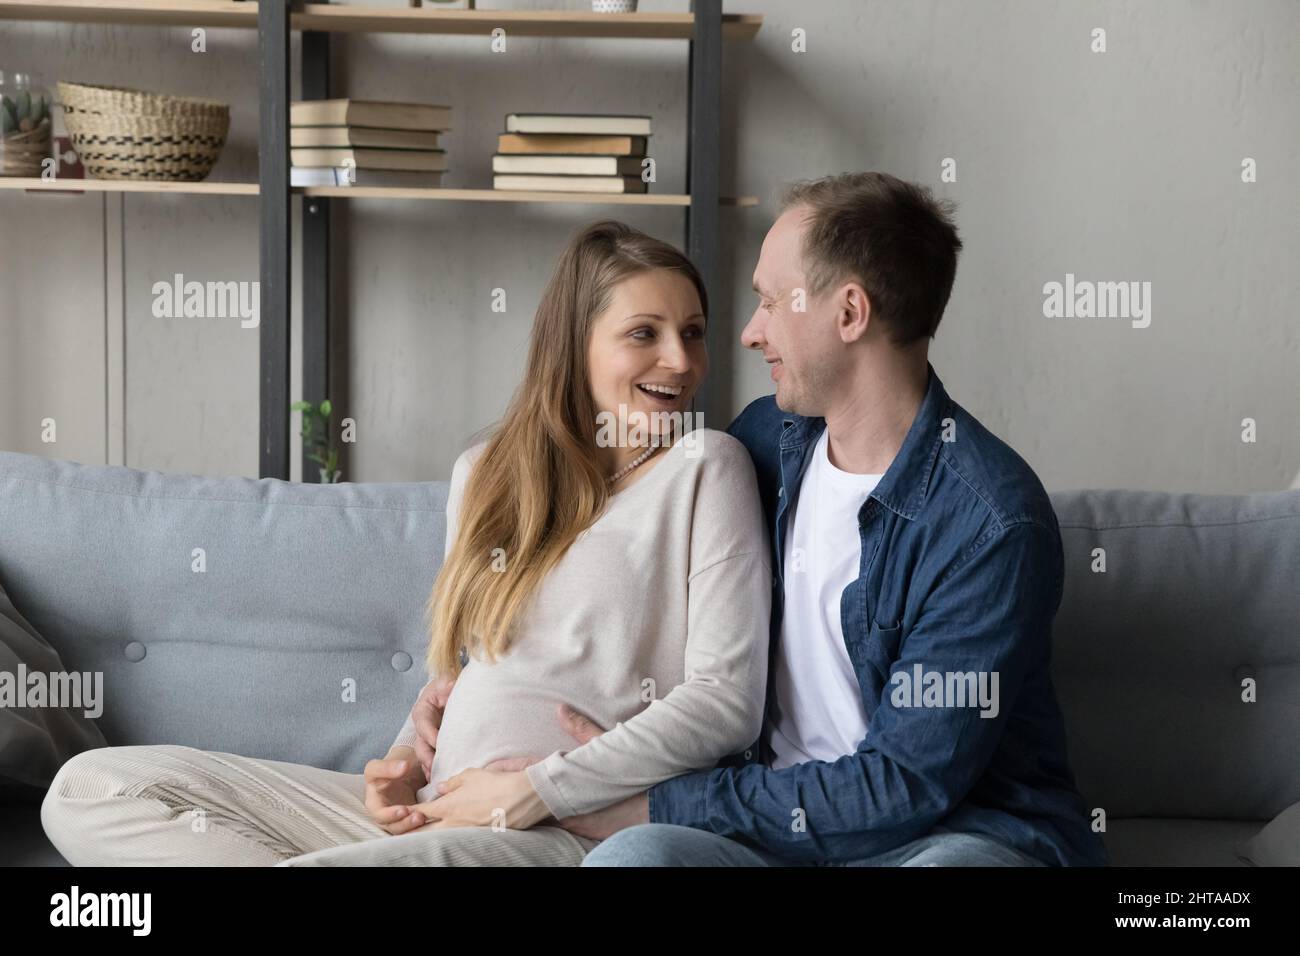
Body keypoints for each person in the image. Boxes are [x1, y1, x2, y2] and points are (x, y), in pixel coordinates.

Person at [410, 172, 1110, 867]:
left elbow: (904, 786)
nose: (748, 334)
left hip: (949, 835)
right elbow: (622, 577)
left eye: (771, 302)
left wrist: (634, 802)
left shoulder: (990, 524)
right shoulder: (765, 446)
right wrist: (458, 704)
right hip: (769, 832)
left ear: (849, 313)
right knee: (635, 860)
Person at [40, 221, 771, 867]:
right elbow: (464, 675)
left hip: (560, 827)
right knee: (91, 789)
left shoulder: (705, 468)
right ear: (573, 347)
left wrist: (535, 790)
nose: (680, 360)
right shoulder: (487, 475)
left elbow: (722, 703)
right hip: (438, 803)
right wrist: (398, 762)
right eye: (645, 333)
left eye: (695, 331)